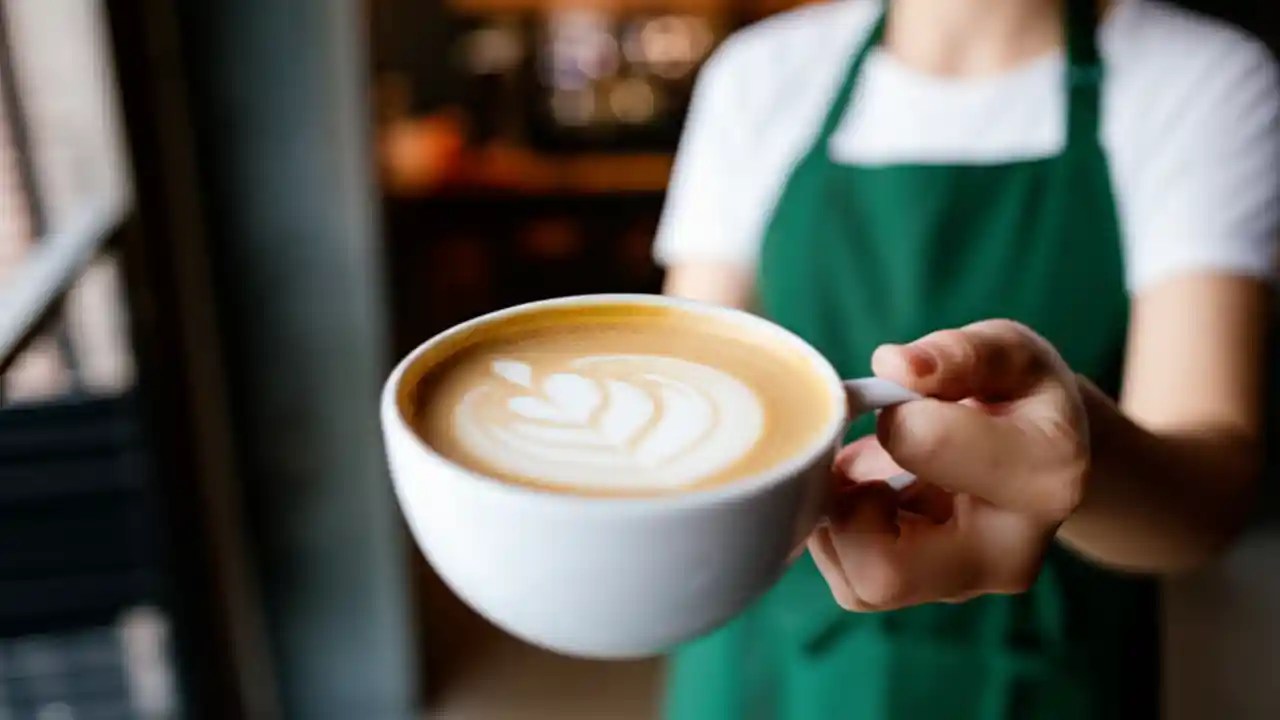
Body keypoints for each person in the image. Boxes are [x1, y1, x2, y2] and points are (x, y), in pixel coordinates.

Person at [654, 0, 1279, 717]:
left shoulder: (1199, 81)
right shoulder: (759, 76)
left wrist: (1083, 447)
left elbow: (1205, 504)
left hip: (1043, 673)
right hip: (762, 659)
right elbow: (692, 385)